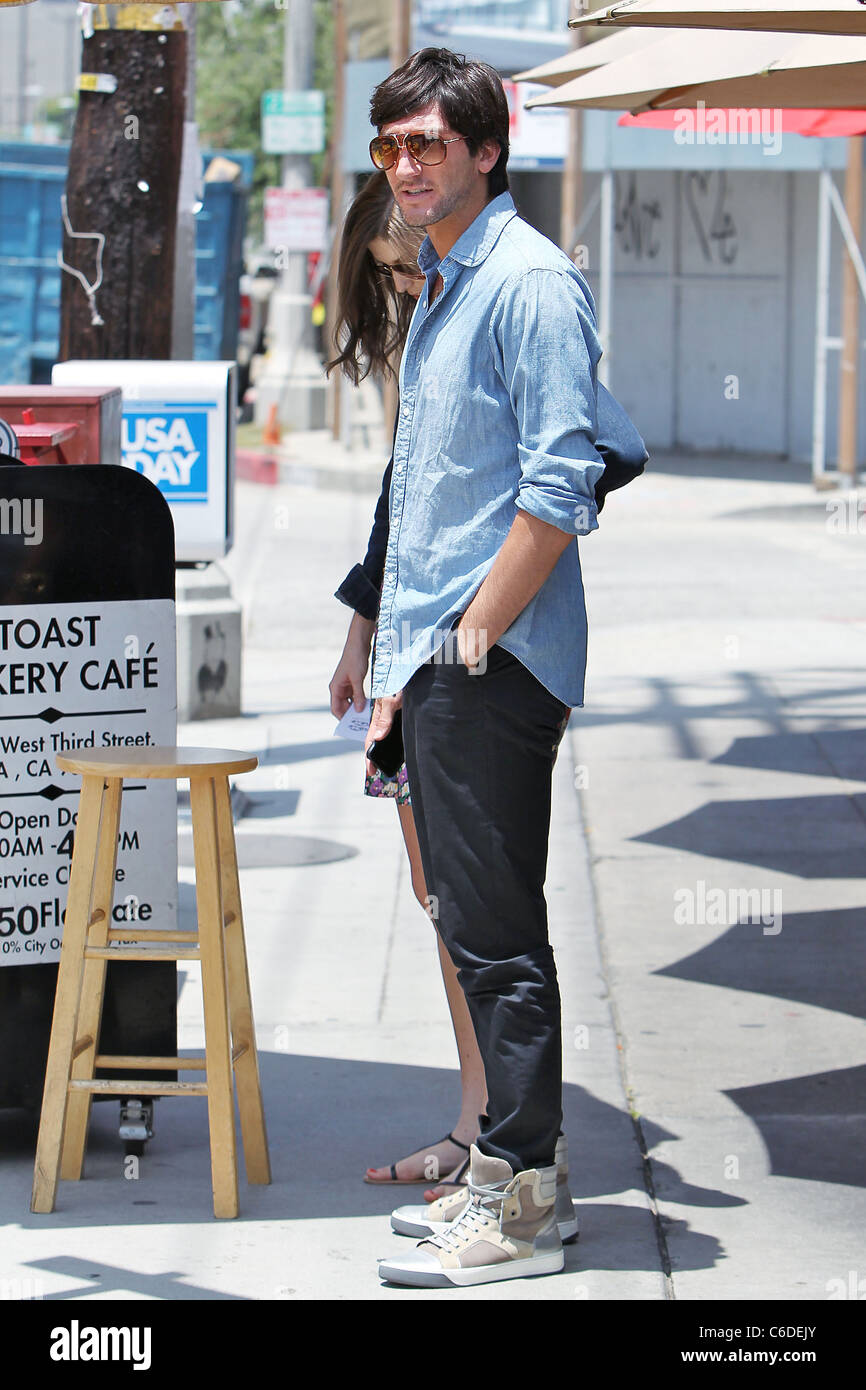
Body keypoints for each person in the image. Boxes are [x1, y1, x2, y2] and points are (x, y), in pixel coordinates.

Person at [361, 48, 647, 1289]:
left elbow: (557, 482)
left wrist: (472, 634)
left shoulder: (527, 284)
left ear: (485, 150)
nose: (404, 165)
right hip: (440, 656)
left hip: (491, 657)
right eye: (388, 147)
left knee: (499, 942)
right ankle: (499, 1173)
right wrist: (395, 659)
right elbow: (430, 495)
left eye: (426, 143)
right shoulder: (445, 282)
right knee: (471, 926)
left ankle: (525, 1204)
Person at [328, 173, 487, 1200]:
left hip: (459, 663)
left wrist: (479, 619)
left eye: (408, 260)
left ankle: (495, 1134)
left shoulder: (496, 303)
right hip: (399, 662)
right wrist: (360, 631)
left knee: (475, 910)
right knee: (438, 902)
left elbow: (592, 456)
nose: (400, 283)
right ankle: (476, 1118)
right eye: (386, 271)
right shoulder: (426, 329)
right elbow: (402, 498)